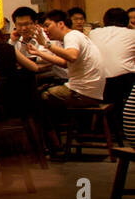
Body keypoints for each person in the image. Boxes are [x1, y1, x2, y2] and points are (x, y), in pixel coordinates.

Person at [31, 9, 106, 157]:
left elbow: (71, 56)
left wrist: (46, 45)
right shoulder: (76, 36)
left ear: (60, 24)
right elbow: (65, 63)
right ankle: (54, 144)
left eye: (47, 25)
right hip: (90, 91)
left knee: (38, 99)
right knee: (43, 95)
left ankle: (51, 146)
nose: (45, 30)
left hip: (82, 93)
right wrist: (39, 52)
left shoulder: (71, 36)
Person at [87, 7, 135, 145]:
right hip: (123, 82)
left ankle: (113, 128)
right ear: (126, 21)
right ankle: (127, 128)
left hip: (99, 83)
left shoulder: (94, 33)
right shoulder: (131, 34)